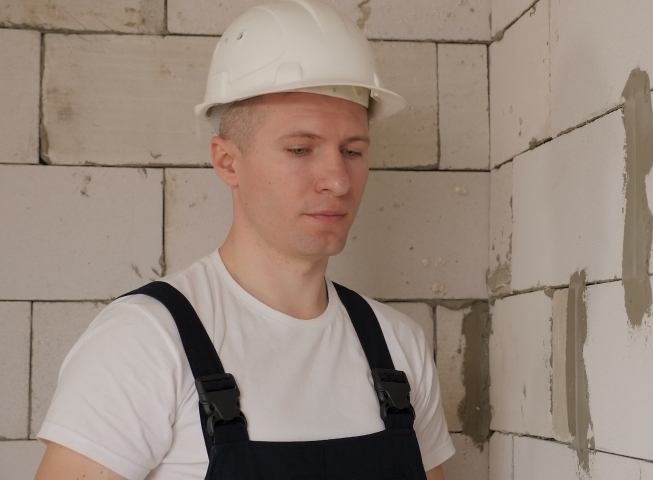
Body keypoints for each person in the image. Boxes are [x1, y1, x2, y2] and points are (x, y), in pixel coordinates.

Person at [33, 1, 455, 478]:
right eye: (300, 149)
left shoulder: (398, 346)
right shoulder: (146, 341)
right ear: (228, 162)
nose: (337, 180)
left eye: (353, 151)